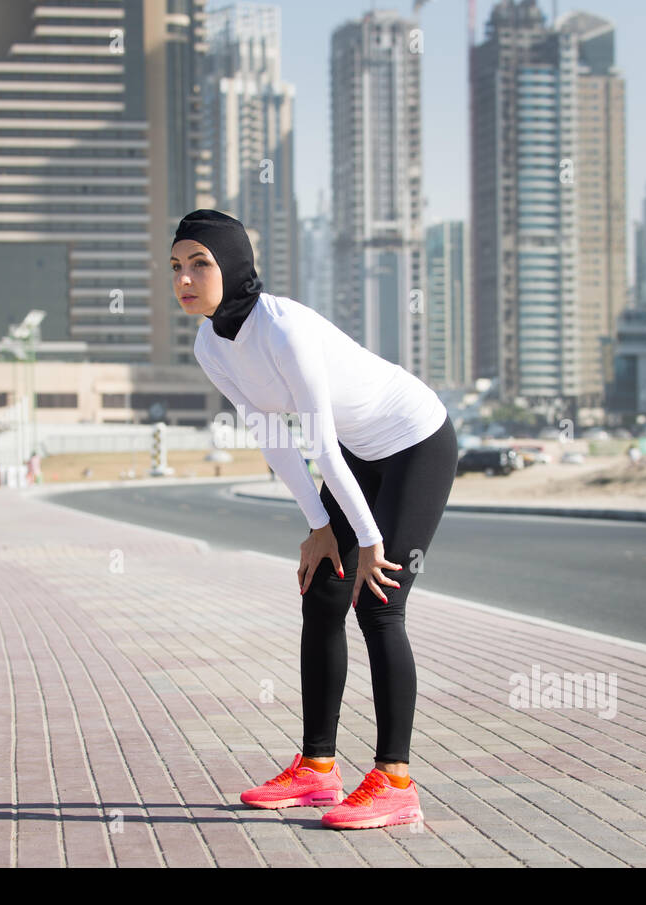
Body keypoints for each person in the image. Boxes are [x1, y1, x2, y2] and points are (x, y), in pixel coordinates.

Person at [172, 209, 457, 830]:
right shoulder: (209, 344)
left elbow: (320, 443)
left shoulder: (284, 330)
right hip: (357, 454)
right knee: (322, 593)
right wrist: (319, 528)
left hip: (415, 441)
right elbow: (273, 437)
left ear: (235, 267)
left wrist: (369, 540)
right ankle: (318, 770)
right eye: (176, 266)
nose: (186, 278)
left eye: (201, 263)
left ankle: (395, 780)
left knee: (378, 600)